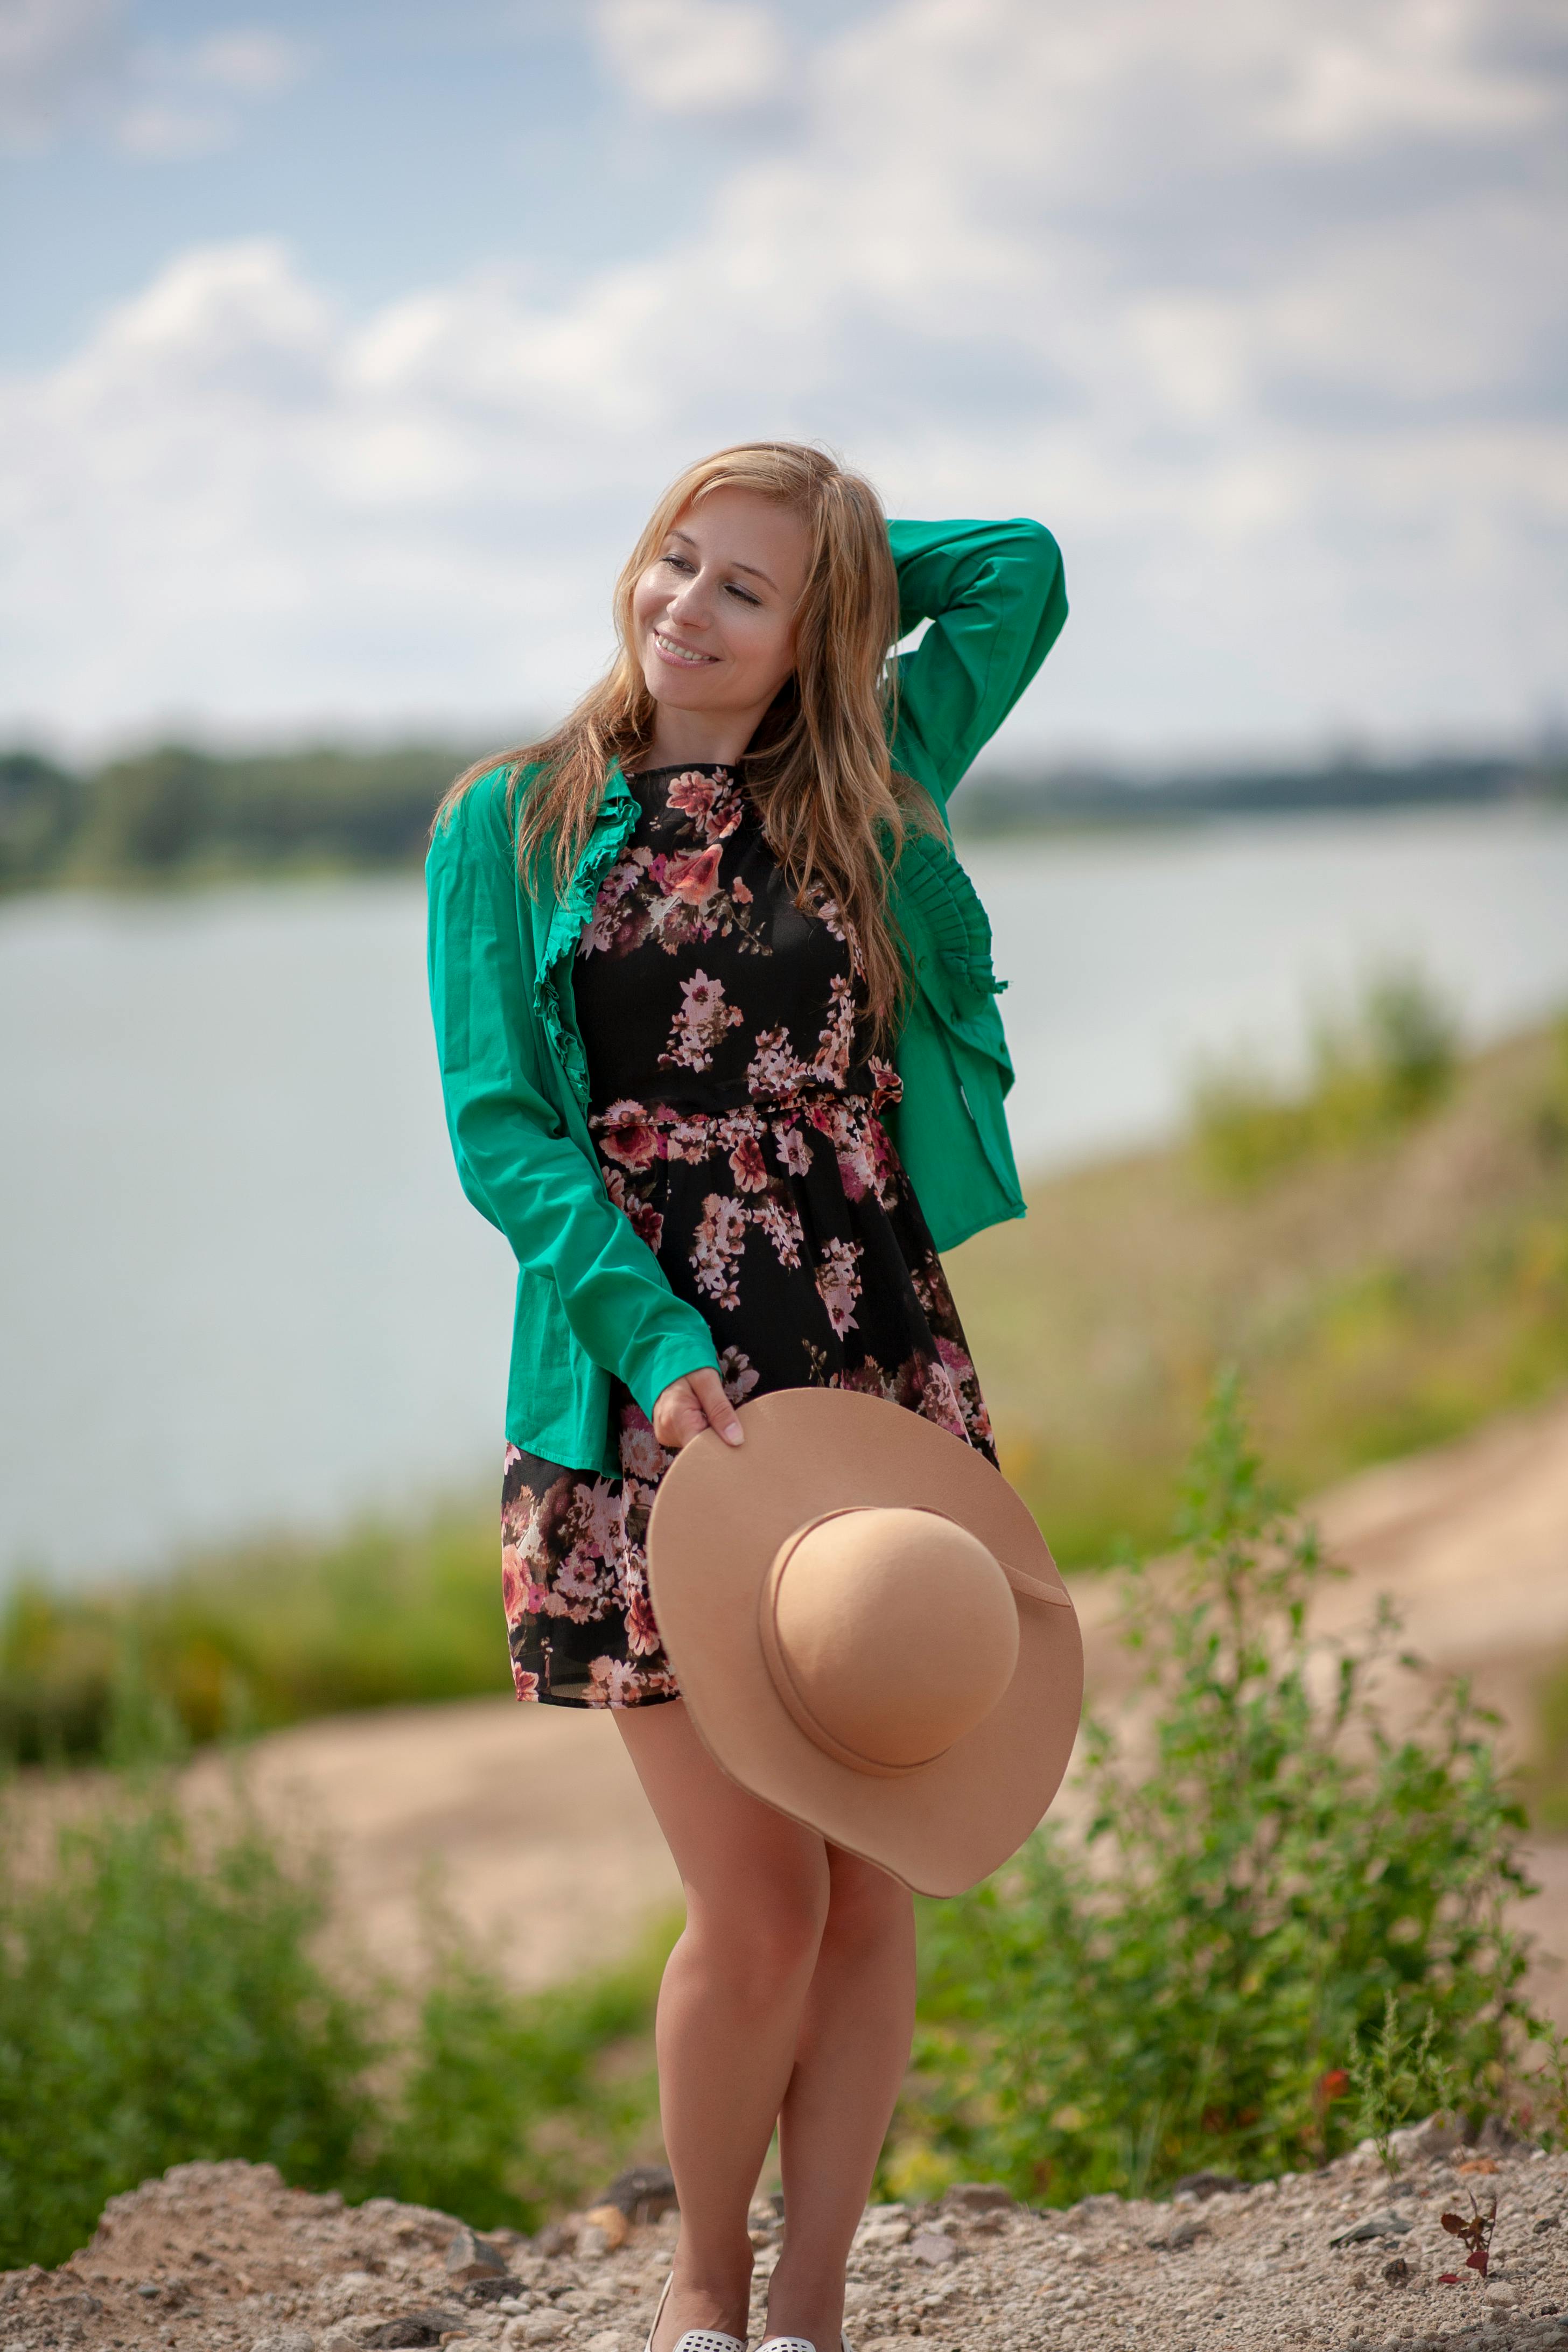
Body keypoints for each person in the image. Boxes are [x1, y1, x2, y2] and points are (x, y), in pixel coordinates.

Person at [426, 442, 1066, 2352]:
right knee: (762, 1902)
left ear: (822, 632)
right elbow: (504, 1132)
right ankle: (703, 2296)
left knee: (874, 1897)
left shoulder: (868, 777)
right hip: (651, 1397)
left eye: (744, 588)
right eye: (674, 559)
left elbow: (1020, 569)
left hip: (868, 1370)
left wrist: (843, 549)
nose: (683, 609)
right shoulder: (513, 821)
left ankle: (814, 2307)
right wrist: (655, 1337)